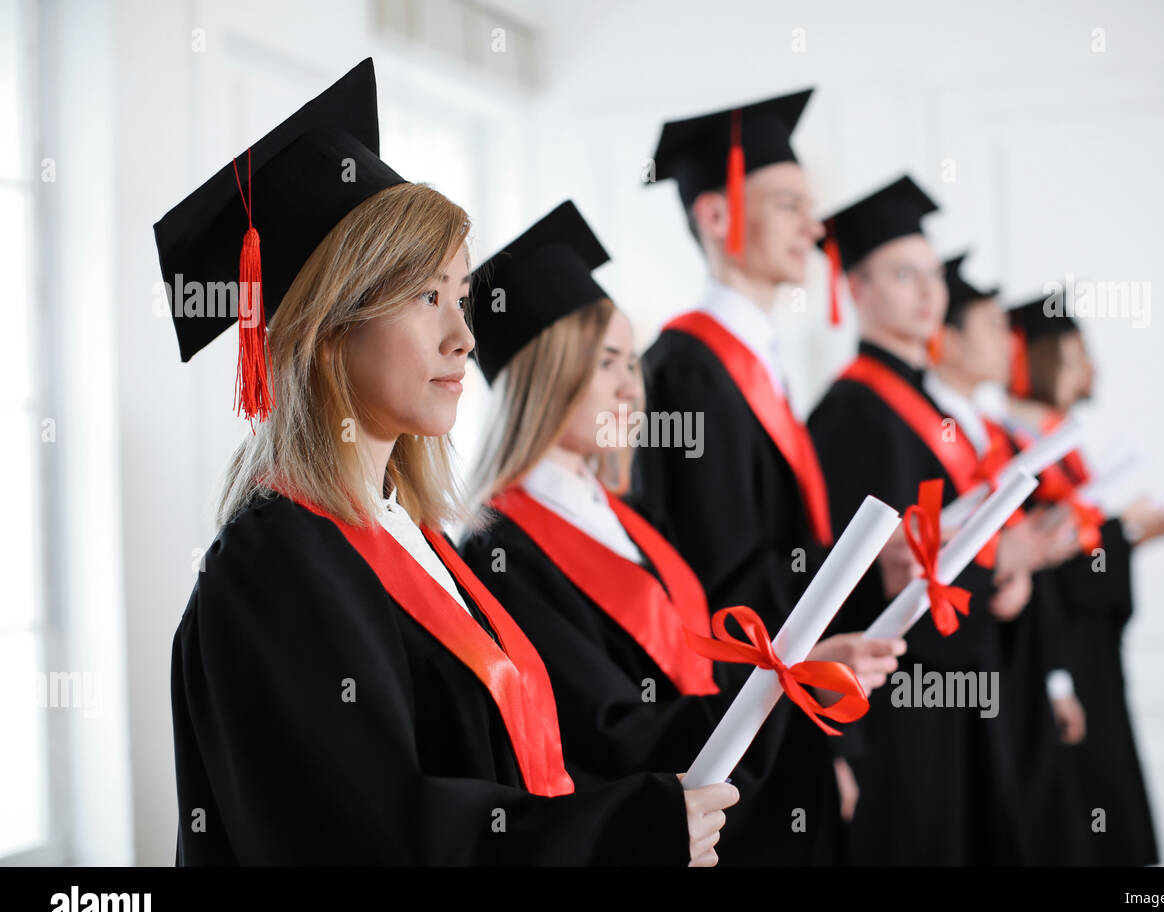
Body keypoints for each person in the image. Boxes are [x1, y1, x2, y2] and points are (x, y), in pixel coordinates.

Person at [159, 59, 736, 866]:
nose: (462, 336)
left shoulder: (409, 534)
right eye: (426, 297)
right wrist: (622, 834)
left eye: (460, 297)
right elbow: (371, 835)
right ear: (329, 327)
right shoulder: (275, 565)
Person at [458, 200, 902, 865]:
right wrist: (779, 685)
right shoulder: (500, 549)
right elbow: (608, 733)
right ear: (545, 378)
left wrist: (805, 667)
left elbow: (694, 669)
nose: (630, 389)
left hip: (718, 811)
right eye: (606, 362)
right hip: (648, 836)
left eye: (632, 363)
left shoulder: (630, 522)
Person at [631, 90, 868, 844]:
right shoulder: (688, 372)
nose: (814, 226)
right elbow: (722, 575)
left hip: (790, 700)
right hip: (743, 721)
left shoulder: (757, 365)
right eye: (788, 203)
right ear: (717, 215)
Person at [807, 176, 1041, 865]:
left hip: (964, 676)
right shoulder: (849, 412)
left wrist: (1006, 574)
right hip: (899, 696)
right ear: (856, 287)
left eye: (932, 274)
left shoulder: (934, 407)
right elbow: (847, 575)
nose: (928, 292)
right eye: (903, 275)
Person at [1004, 288, 1164, 865]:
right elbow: (1049, 571)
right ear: (1041, 357)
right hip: (1055, 662)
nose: (1091, 369)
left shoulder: (1061, 446)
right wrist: (1120, 534)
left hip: (1089, 659)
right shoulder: (1010, 450)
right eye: (1077, 354)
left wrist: (1122, 536)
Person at [930, 255, 1089, 865]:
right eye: (992, 325)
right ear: (948, 338)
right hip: (963, 668)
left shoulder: (985, 431)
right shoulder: (928, 423)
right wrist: (1007, 562)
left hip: (1016, 657)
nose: (1008, 340)